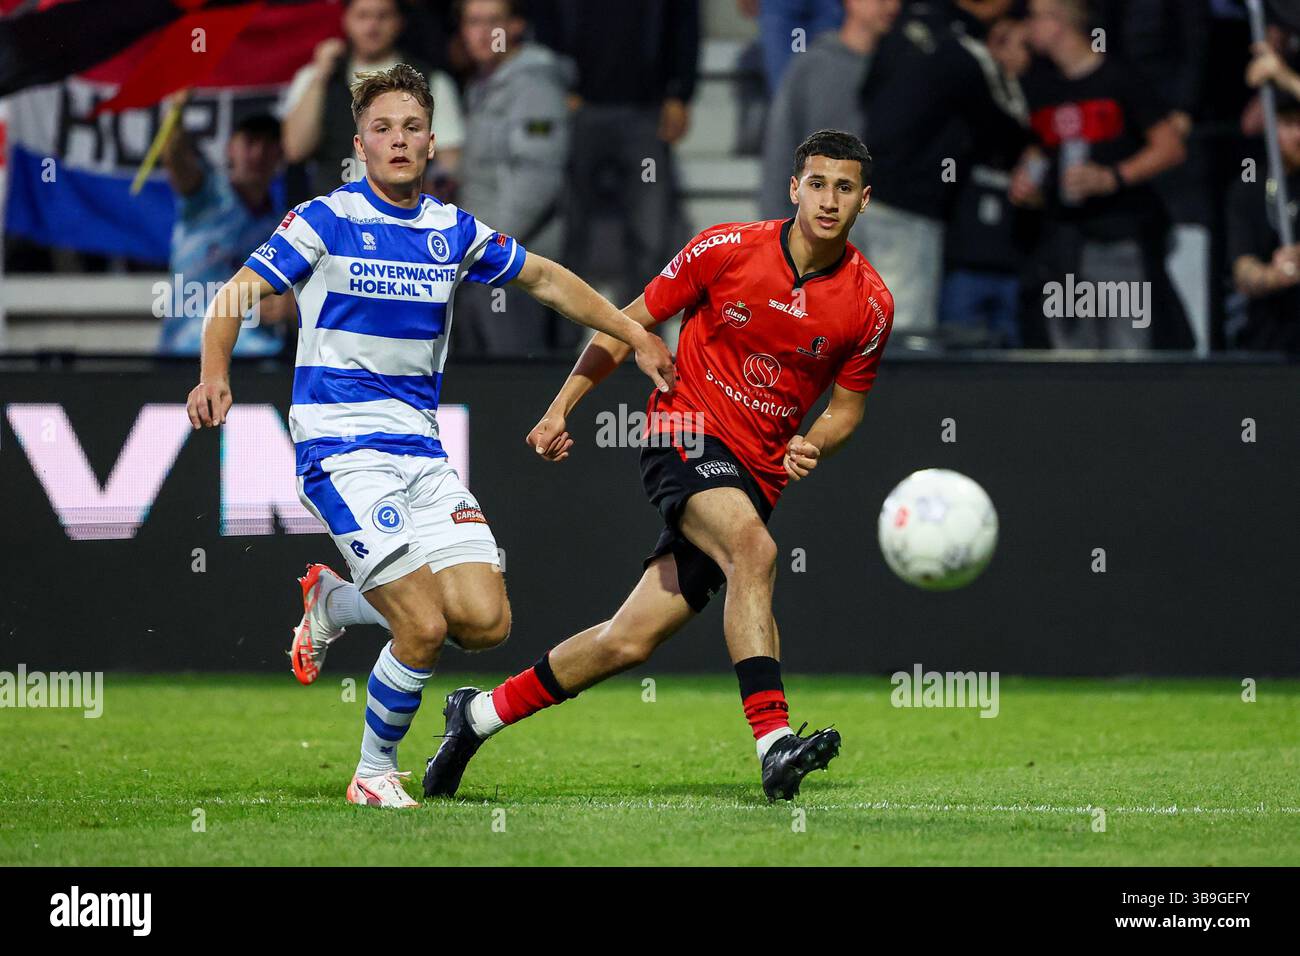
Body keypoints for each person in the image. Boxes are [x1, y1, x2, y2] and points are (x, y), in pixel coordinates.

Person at [184, 63, 675, 809]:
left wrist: (632, 331)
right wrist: (213, 370)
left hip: (421, 452)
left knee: (483, 621)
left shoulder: (451, 230)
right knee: (419, 626)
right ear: (361, 144)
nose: (399, 140)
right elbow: (238, 293)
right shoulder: (326, 219)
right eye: (383, 129)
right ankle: (374, 772)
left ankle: (335, 603)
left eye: (412, 127)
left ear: (434, 140)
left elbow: (543, 278)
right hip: (341, 449)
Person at [422, 129, 895, 803]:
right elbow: (626, 326)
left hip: (755, 476)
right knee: (754, 553)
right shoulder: (726, 249)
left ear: (864, 200)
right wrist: (562, 408)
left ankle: (474, 717)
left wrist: (817, 439)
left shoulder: (870, 303)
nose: (828, 200)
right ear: (793, 188)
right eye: (816, 184)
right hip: (684, 431)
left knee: (627, 642)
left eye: (844, 188)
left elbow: (848, 408)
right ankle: (773, 745)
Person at [1011, 0, 1186, 350]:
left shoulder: (1118, 77)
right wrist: (1026, 178)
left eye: (1032, 17)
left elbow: (1171, 147)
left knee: (1127, 352)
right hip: (1062, 243)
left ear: (1057, 21)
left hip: (1119, 238)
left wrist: (1113, 177)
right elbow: (1037, 148)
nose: (1027, 27)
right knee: (1071, 357)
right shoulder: (1040, 86)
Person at [855, 0, 1028, 337]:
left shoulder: (901, 31)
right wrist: (1009, 70)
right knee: (904, 333)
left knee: (859, 324)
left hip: (863, 197)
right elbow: (1010, 131)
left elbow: (866, 94)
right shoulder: (964, 50)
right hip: (910, 211)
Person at [453, 0, 571, 356]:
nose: (485, 32)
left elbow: (537, 178)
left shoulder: (533, 84)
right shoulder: (484, 85)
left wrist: (486, 247)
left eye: (495, 22)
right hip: (481, 262)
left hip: (515, 265)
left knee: (515, 383)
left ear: (517, 26)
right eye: (474, 22)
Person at [280, 0, 465, 201]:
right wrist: (320, 76)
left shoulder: (433, 81)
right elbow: (295, 149)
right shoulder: (316, 77)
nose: (372, 26)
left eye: (382, 16)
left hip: (403, 220)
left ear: (399, 22)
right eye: (363, 16)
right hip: (333, 219)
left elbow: (450, 163)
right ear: (346, 20)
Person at [159, 107, 295, 356]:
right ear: (230, 148)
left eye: (269, 144)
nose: (259, 153)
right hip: (186, 355)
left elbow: (296, 297)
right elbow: (175, 159)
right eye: (250, 141)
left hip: (257, 362)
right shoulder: (204, 196)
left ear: (281, 154)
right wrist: (176, 112)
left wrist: (290, 305)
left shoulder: (287, 226)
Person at [759, 0, 900, 221]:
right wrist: (777, 233)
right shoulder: (812, 68)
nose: (892, 6)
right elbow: (781, 154)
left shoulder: (907, 69)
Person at [1226, 90, 1300, 354]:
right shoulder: (1250, 186)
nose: (1298, 135)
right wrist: (1274, 276)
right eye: (1290, 124)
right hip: (1270, 337)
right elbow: (1242, 267)